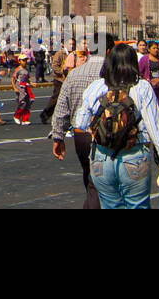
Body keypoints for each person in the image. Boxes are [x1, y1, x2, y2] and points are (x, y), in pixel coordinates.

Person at [74, 42, 159, 209]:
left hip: (102, 156)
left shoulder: (96, 87)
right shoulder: (141, 87)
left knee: (109, 205)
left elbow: (80, 123)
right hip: (134, 154)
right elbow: (155, 126)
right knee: (137, 205)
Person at [50, 37, 107, 210]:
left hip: (80, 135)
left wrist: (58, 137)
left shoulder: (75, 73)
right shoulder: (110, 74)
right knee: (99, 183)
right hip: (104, 135)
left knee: (89, 178)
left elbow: (61, 107)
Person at [40, 37, 73, 124]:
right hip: (60, 80)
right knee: (57, 97)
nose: (72, 46)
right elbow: (55, 66)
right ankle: (45, 114)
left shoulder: (73, 54)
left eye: (73, 44)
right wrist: (63, 72)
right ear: (65, 44)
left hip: (69, 80)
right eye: (70, 44)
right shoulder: (60, 53)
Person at [12, 54, 33, 125]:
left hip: (25, 86)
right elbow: (13, 79)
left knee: (28, 102)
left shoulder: (26, 70)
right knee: (22, 102)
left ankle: (25, 119)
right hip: (19, 87)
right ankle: (16, 116)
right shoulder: (18, 69)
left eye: (25, 60)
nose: (25, 62)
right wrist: (15, 88)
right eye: (23, 60)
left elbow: (27, 79)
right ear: (19, 61)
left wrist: (31, 83)